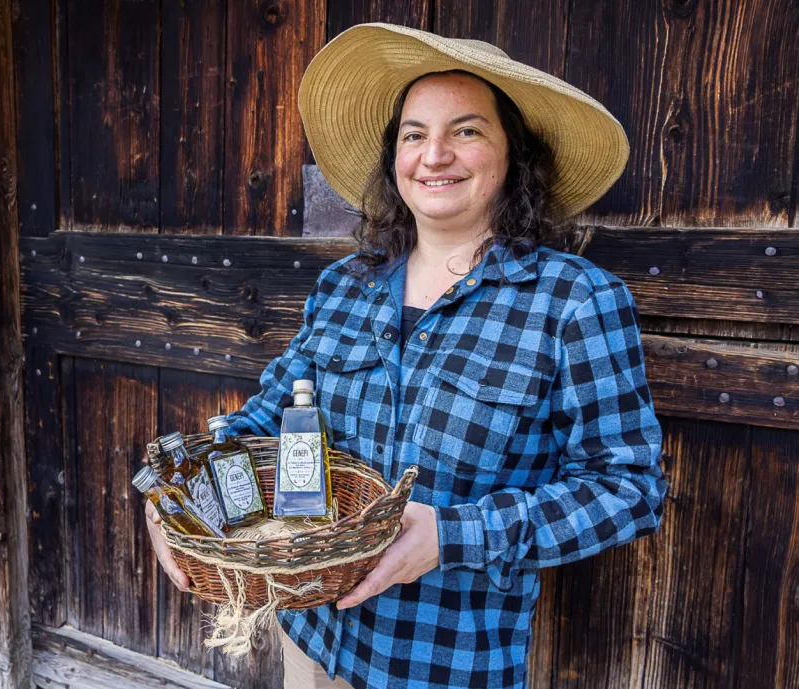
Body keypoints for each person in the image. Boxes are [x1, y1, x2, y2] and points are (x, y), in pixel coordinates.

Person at [145, 23, 666, 689]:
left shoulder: (573, 301)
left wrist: (453, 535)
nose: (435, 154)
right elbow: (266, 419)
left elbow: (628, 489)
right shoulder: (345, 286)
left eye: (466, 130)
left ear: (514, 154)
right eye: (414, 135)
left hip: (442, 662)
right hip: (313, 637)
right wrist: (172, 491)